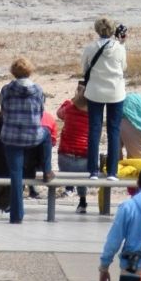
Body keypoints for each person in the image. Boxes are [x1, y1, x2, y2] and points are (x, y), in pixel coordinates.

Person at [0, 57, 46, 225]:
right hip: (32, 135)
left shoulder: (6, 90)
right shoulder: (38, 90)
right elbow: (41, 112)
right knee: (46, 133)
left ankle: (16, 214)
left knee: (15, 174)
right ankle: (47, 168)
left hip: (11, 135)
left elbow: (3, 110)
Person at [82, 18, 130, 177]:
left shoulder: (90, 48)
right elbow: (123, 68)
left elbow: (85, 68)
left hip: (95, 91)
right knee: (113, 131)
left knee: (94, 130)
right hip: (115, 92)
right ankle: (112, 171)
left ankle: (93, 170)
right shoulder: (119, 48)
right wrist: (122, 44)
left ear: (97, 30)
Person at [56, 85, 94, 213]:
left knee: (66, 170)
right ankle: (82, 200)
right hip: (83, 154)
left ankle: (69, 188)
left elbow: (59, 113)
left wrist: (72, 100)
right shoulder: (93, 114)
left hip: (66, 155)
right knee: (82, 181)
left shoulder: (69, 108)